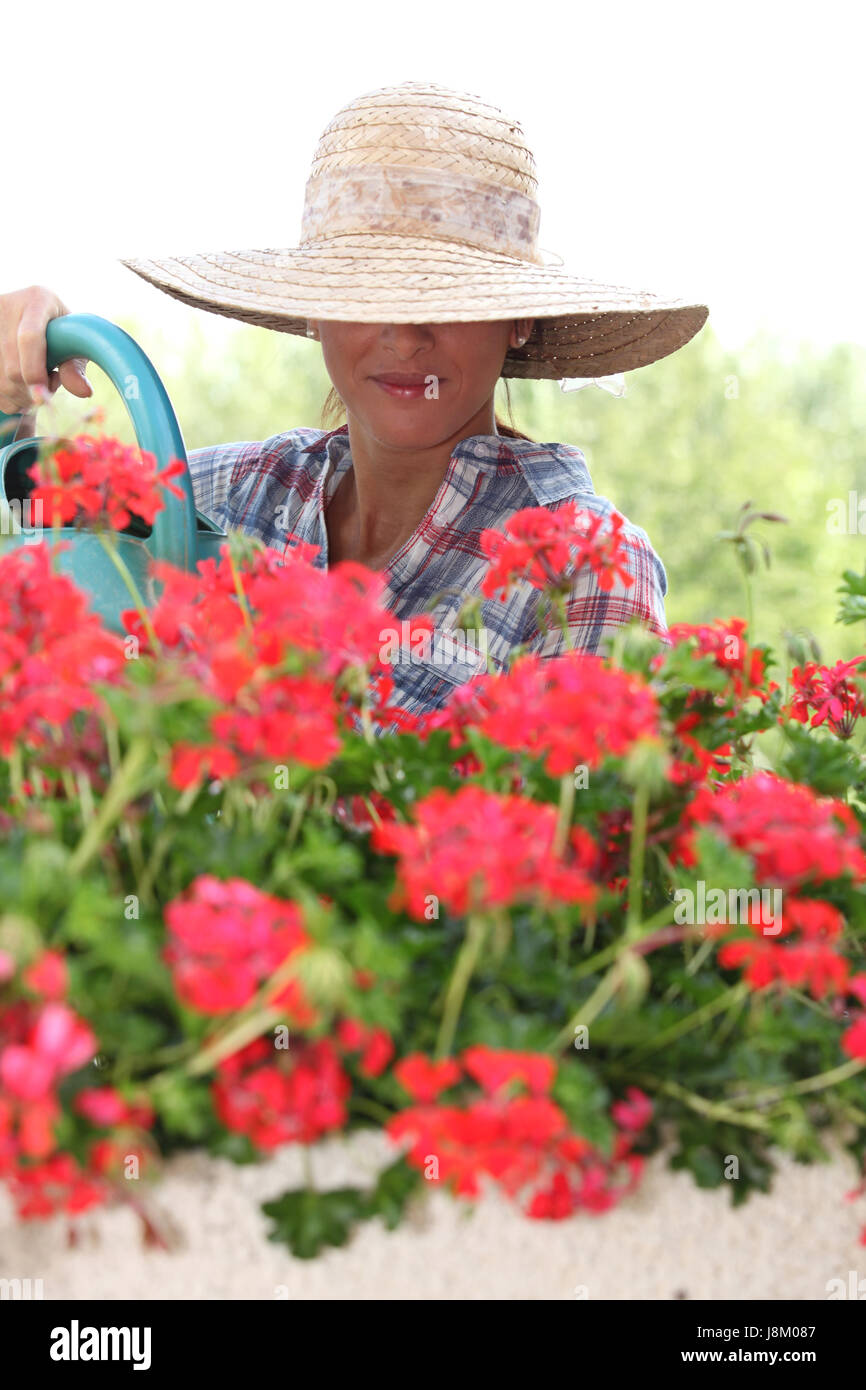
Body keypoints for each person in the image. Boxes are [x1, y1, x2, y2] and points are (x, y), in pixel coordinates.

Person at [0, 81, 708, 719]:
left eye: (451, 298)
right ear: (314, 311)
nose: (405, 337)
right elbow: (32, 535)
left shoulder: (585, 565)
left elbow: (587, 812)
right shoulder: (243, 493)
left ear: (517, 320)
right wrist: (10, 388)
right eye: (367, 294)